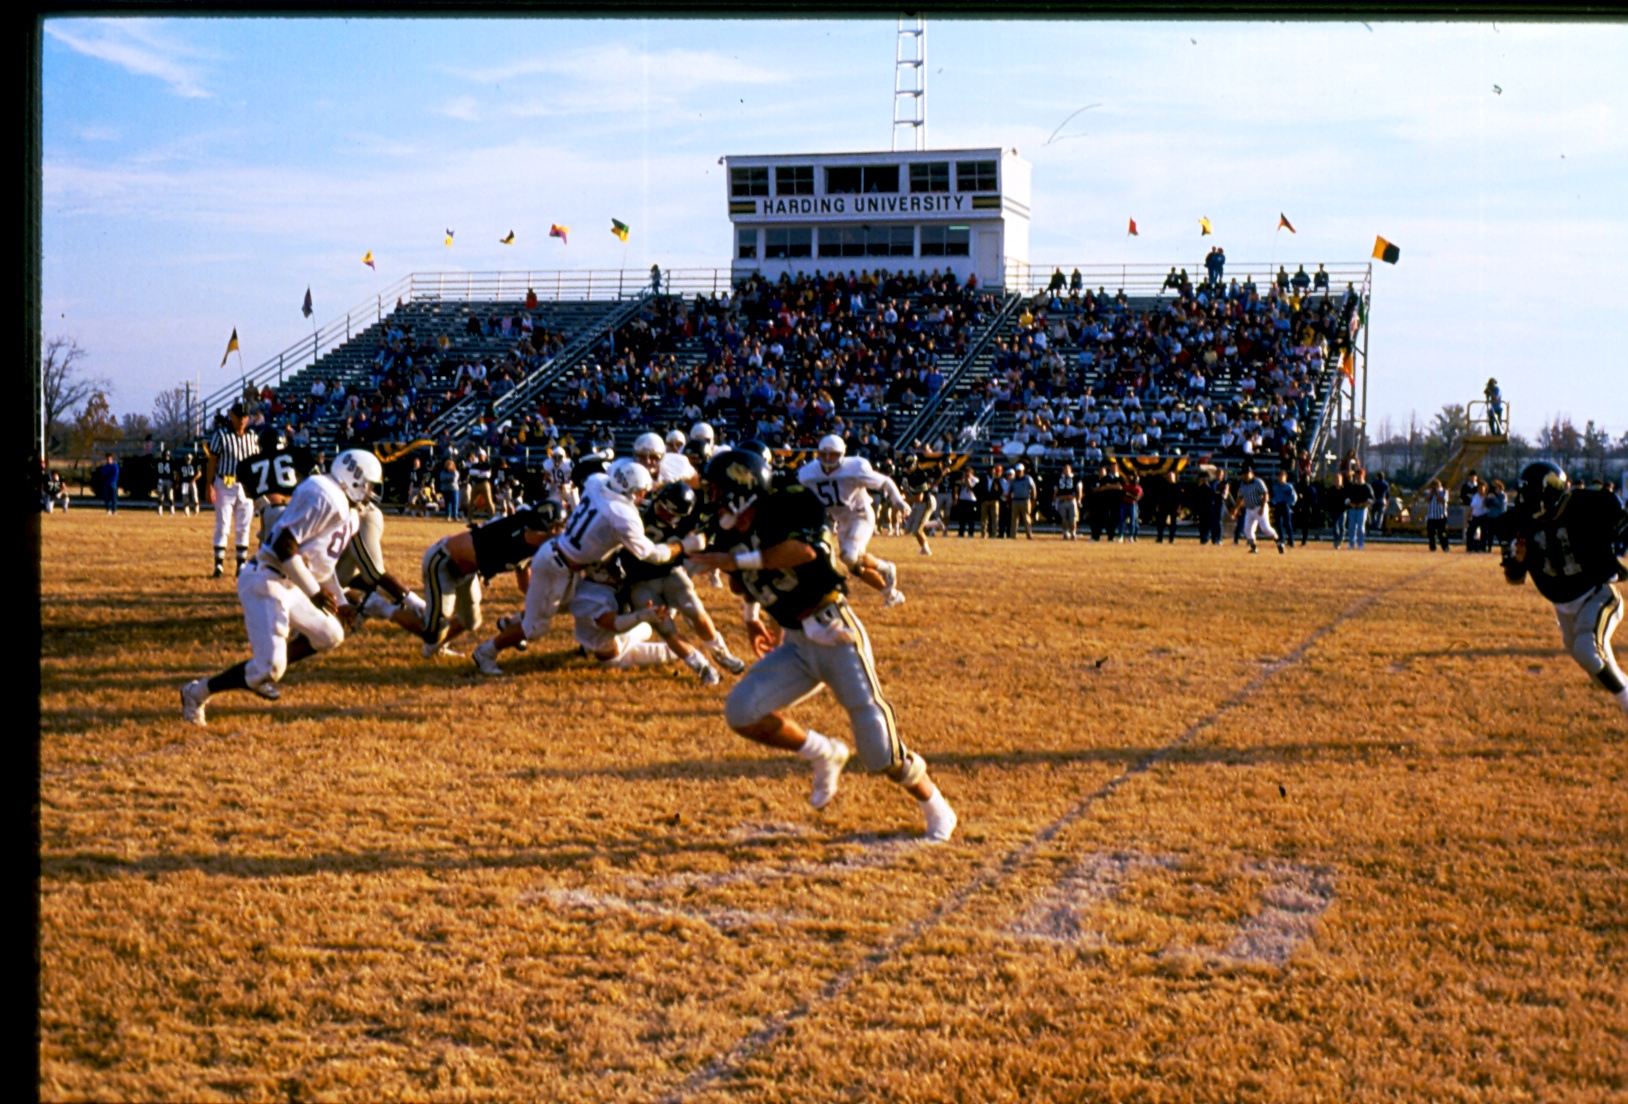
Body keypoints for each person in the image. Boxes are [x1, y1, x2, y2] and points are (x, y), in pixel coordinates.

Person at [686, 449, 957, 841]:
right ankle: (823, 752)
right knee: (742, 711)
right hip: (795, 642)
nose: (713, 498)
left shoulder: (791, 503)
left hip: (834, 631)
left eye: (718, 490)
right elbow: (742, 575)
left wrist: (734, 560)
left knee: (879, 752)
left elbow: (802, 551)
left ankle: (936, 806)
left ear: (743, 490)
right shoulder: (732, 531)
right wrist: (752, 617)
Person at [180, 449, 381, 727]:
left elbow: (321, 564)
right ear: (354, 479)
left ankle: (261, 670)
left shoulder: (348, 511)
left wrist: (341, 602)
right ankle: (196, 692)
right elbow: (284, 545)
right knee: (271, 667)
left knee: (330, 634)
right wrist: (314, 593)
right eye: (369, 486)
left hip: (290, 582)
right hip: (267, 578)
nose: (370, 493)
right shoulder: (326, 494)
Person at [474, 457, 704, 667]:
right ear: (630, 491)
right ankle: (486, 652)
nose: (643, 497)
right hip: (557, 566)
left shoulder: (597, 484)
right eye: (640, 493)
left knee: (566, 606)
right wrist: (683, 546)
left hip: (563, 560)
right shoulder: (622, 515)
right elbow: (652, 554)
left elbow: (599, 477)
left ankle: (512, 622)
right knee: (535, 627)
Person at [1494, 462, 1628, 722]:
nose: (1526, 503)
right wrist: (1519, 561)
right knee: (1601, 675)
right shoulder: (1520, 521)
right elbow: (1514, 579)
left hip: (1597, 595)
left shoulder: (1583, 506)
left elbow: (1618, 521)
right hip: (1563, 607)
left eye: (1532, 496)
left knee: (1587, 651)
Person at [422, 501, 567, 663]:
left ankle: (433, 648)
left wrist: (536, 605)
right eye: (556, 527)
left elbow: (524, 582)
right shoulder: (512, 533)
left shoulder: (531, 542)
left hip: (466, 572)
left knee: (471, 621)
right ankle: (396, 607)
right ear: (545, 526)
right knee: (433, 630)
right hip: (443, 563)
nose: (559, 532)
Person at [796, 435, 909, 606]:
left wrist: (898, 501)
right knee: (854, 566)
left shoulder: (854, 468)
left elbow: (885, 481)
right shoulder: (808, 473)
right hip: (842, 521)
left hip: (861, 515)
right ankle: (891, 594)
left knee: (850, 555)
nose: (827, 459)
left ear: (842, 454)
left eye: (832, 455)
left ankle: (886, 568)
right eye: (824, 455)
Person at [207, 403, 262, 578]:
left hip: (246, 486)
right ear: (232, 416)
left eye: (245, 417)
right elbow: (213, 461)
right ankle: (219, 565)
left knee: (244, 526)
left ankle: (241, 564)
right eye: (239, 417)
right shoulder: (221, 435)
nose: (243, 421)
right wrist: (209, 485)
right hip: (226, 482)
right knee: (223, 525)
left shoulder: (252, 436)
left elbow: (256, 462)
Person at [1235, 465, 1285, 554]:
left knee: (1265, 528)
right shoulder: (1242, 484)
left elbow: (1265, 494)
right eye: (1244, 474)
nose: (1245, 475)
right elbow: (1240, 497)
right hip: (1249, 509)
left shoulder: (1257, 482)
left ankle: (1279, 541)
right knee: (1247, 529)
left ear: (1251, 473)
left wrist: (1262, 508)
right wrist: (1236, 509)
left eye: (1247, 473)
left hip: (1259, 506)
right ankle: (1253, 547)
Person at [1343, 469, 1374, 550]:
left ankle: (1360, 544)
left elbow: (1371, 499)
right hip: (1352, 509)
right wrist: (1351, 504)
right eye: (1357, 475)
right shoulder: (1352, 487)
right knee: (1351, 527)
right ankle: (1351, 544)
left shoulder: (1367, 487)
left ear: (1363, 476)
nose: (1358, 477)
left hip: (1362, 509)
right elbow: (1346, 498)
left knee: (1360, 526)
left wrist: (1362, 504)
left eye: (1360, 475)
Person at [1007, 462, 1037, 540]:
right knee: (1014, 519)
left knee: (1026, 519)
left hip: (1025, 500)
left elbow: (1033, 489)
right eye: (1017, 471)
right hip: (1015, 500)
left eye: (1020, 471)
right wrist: (1009, 501)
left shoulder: (1028, 479)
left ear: (1023, 471)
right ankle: (1012, 535)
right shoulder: (1013, 481)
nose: (1019, 473)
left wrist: (1033, 499)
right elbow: (1010, 491)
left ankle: (1029, 535)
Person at [1052, 463, 1081, 541]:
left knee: (1073, 519)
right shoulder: (1059, 478)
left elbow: (1079, 490)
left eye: (1068, 469)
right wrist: (1054, 501)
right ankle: (1065, 533)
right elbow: (1056, 490)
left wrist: (1078, 500)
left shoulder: (1075, 478)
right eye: (1065, 469)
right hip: (1061, 500)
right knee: (1063, 519)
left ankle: (1073, 533)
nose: (1066, 471)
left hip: (1071, 500)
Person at [1270, 470, 1298, 549]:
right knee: (1278, 523)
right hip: (1278, 505)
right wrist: (1272, 502)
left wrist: (1289, 504)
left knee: (1287, 523)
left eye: (1283, 476)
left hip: (1285, 505)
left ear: (1285, 478)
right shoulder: (1275, 487)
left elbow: (1294, 497)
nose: (1281, 478)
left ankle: (1291, 540)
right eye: (1279, 476)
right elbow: (1274, 496)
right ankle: (1281, 539)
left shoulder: (1288, 486)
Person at [978, 463, 1004, 539]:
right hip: (985, 500)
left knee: (995, 518)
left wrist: (996, 497)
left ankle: (994, 534)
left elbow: (1000, 490)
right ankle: (983, 534)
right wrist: (981, 498)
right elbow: (978, 489)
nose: (992, 472)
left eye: (993, 471)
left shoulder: (996, 480)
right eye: (991, 471)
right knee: (984, 518)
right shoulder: (983, 479)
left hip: (994, 501)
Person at [1424, 478, 1451, 551]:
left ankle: (1445, 547)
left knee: (1442, 534)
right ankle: (1432, 548)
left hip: (1441, 516)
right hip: (1431, 516)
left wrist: (1437, 493)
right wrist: (1431, 493)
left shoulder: (1444, 492)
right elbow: (1426, 500)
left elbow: (1442, 501)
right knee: (1431, 534)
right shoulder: (1428, 492)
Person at [955, 467, 980, 538]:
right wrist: (963, 479)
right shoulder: (962, 479)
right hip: (962, 499)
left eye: (968, 472)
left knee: (971, 518)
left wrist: (968, 479)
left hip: (971, 500)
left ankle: (970, 533)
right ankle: (961, 532)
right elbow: (958, 486)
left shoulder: (975, 480)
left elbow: (970, 488)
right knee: (962, 518)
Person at [154, 447, 177, 516]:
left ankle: (160, 511)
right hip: (168, 480)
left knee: (162, 496)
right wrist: (174, 481)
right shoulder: (171, 461)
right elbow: (174, 473)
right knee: (169, 496)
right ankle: (171, 511)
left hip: (161, 480)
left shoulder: (159, 461)